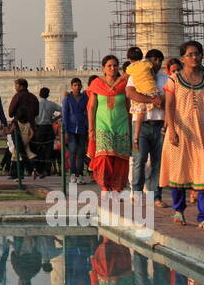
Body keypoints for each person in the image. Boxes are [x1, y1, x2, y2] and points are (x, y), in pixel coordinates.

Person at [161, 41, 204, 230]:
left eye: (197, 54)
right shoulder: (174, 80)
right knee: (178, 172)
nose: (194, 57)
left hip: (202, 131)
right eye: (190, 54)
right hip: (180, 131)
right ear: (182, 58)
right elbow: (169, 107)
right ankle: (179, 210)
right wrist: (172, 130)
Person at [126, 49, 167, 205]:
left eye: (159, 60)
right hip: (140, 124)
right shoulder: (135, 76)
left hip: (160, 124)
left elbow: (168, 100)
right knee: (139, 159)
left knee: (158, 162)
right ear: (146, 61)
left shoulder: (165, 79)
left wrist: (158, 101)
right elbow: (130, 94)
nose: (155, 63)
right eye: (152, 59)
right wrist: (153, 100)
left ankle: (156, 196)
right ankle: (136, 192)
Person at [86, 55, 131, 192]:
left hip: (121, 126)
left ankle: (117, 188)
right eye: (109, 66)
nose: (113, 68)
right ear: (103, 68)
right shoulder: (97, 84)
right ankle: (105, 187)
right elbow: (92, 107)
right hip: (102, 126)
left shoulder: (125, 84)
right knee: (104, 157)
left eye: (115, 65)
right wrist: (91, 128)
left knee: (120, 159)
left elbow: (129, 106)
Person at [5, 78, 38, 178]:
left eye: (16, 86)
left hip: (18, 127)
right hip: (30, 126)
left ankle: (18, 173)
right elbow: (37, 113)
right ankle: (28, 170)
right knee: (23, 150)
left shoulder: (18, 96)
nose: (15, 88)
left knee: (19, 150)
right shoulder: (33, 97)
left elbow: (10, 113)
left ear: (22, 86)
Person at [63, 78, 89, 183]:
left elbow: (87, 112)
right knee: (73, 151)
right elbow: (65, 115)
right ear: (71, 87)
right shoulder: (67, 99)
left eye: (78, 85)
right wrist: (65, 130)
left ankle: (80, 174)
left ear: (81, 86)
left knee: (81, 152)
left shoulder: (84, 98)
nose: (77, 87)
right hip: (71, 128)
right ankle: (73, 174)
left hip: (82, 127)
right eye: (75, 85)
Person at [32, 87, 60, 179]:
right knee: (49, 150)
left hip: (39, 128)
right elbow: (63, 110)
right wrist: (54, 119)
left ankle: (39, 169)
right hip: (48, 127)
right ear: (48, 95)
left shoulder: (36, 104)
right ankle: (47, 170)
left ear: (39, 94)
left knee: (39, 149)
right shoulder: (51, 104)